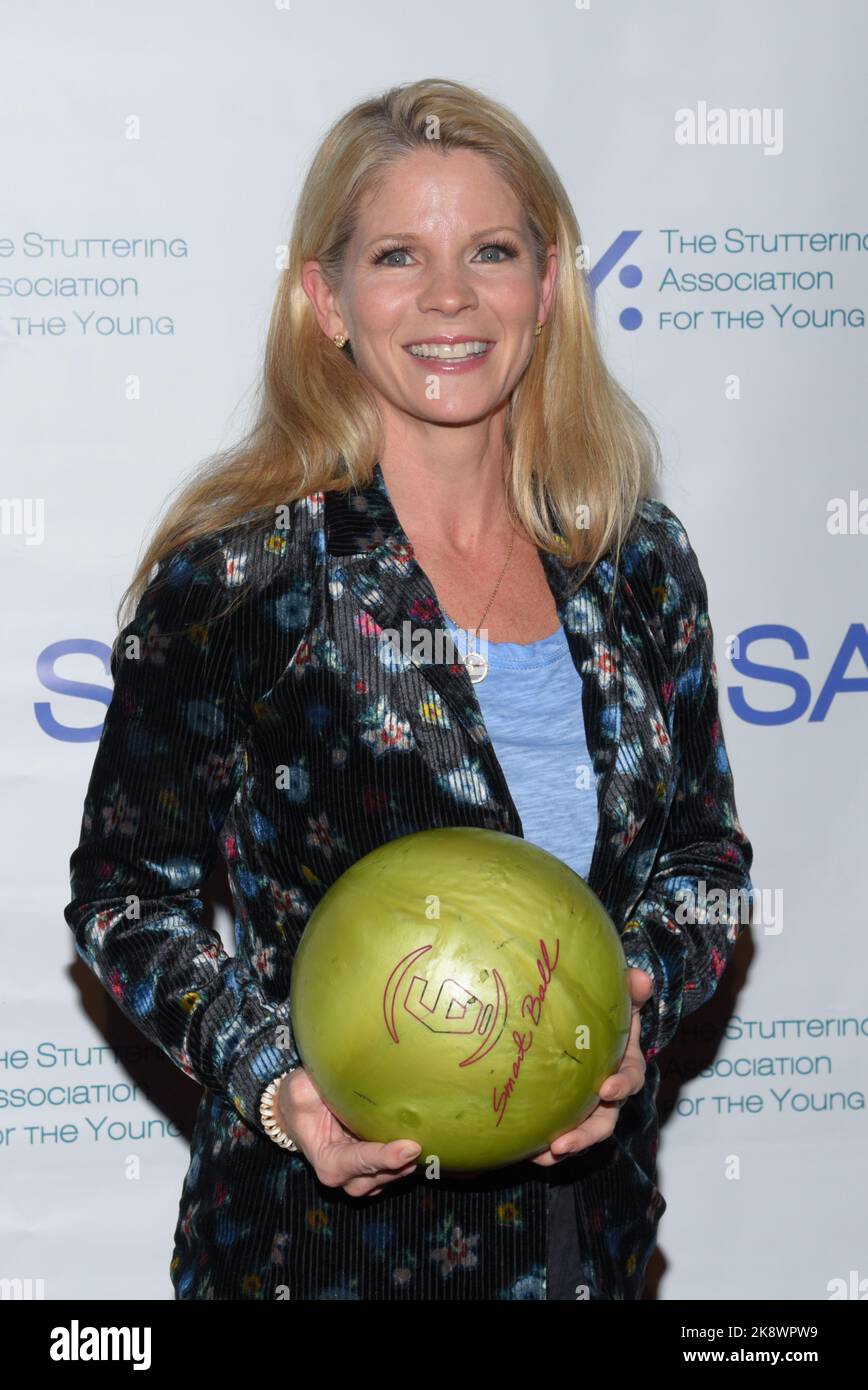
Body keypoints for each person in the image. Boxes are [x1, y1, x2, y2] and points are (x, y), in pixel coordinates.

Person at [64, 77, 754, 1301]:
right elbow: (126, 896)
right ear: (325, 300)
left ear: (546, 290)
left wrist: (632, 1002)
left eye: (490, 251)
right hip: (314, 1255)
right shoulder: (240, 580)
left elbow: (704, 860)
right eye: (398, 256)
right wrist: (281, 1085)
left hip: (587, 1246)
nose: (450, 297)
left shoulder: (636, 562)